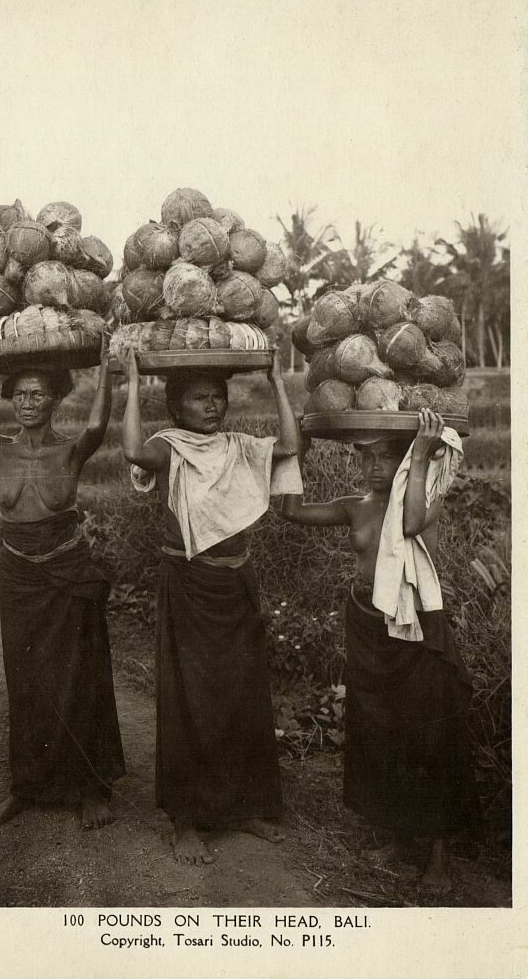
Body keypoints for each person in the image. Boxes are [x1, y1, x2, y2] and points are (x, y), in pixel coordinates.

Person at [0, 338, 125, 829]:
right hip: (19, 575)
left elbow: (97, 425)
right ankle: (27, 785)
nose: (27, 402)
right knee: (25, 676)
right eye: (19, 394)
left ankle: (90, 788)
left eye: (37, 394)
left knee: (79, 674)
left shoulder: (71, 451)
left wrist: (106, 369)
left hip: (67, 570)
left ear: (55, 399)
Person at [282, 409, 480, 893]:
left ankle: (438, 856)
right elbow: (290, 510)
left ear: (405, 458)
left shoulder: (426, 496)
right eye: (365, 456)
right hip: (368, 626)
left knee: (427, 733)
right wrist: (297, 452)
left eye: (386, 456)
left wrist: (421, 454)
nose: (374, 467)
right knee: (380, 728)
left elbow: (409, 524)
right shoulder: (355, 505)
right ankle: (397, 834)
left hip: (414, 627)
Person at [121, 347, 302, 865]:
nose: (212, 405)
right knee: (190, 700)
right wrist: (132, 382)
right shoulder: (169, 446)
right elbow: (133, 451)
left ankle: (243, 808)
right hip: (189, 584)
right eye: (199, 397)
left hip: (236, 583)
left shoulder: (238, 447)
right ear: (176, 408)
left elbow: (290, 445)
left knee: (242, 695)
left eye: (218, 396)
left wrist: (277, 381)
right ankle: (186, 820)